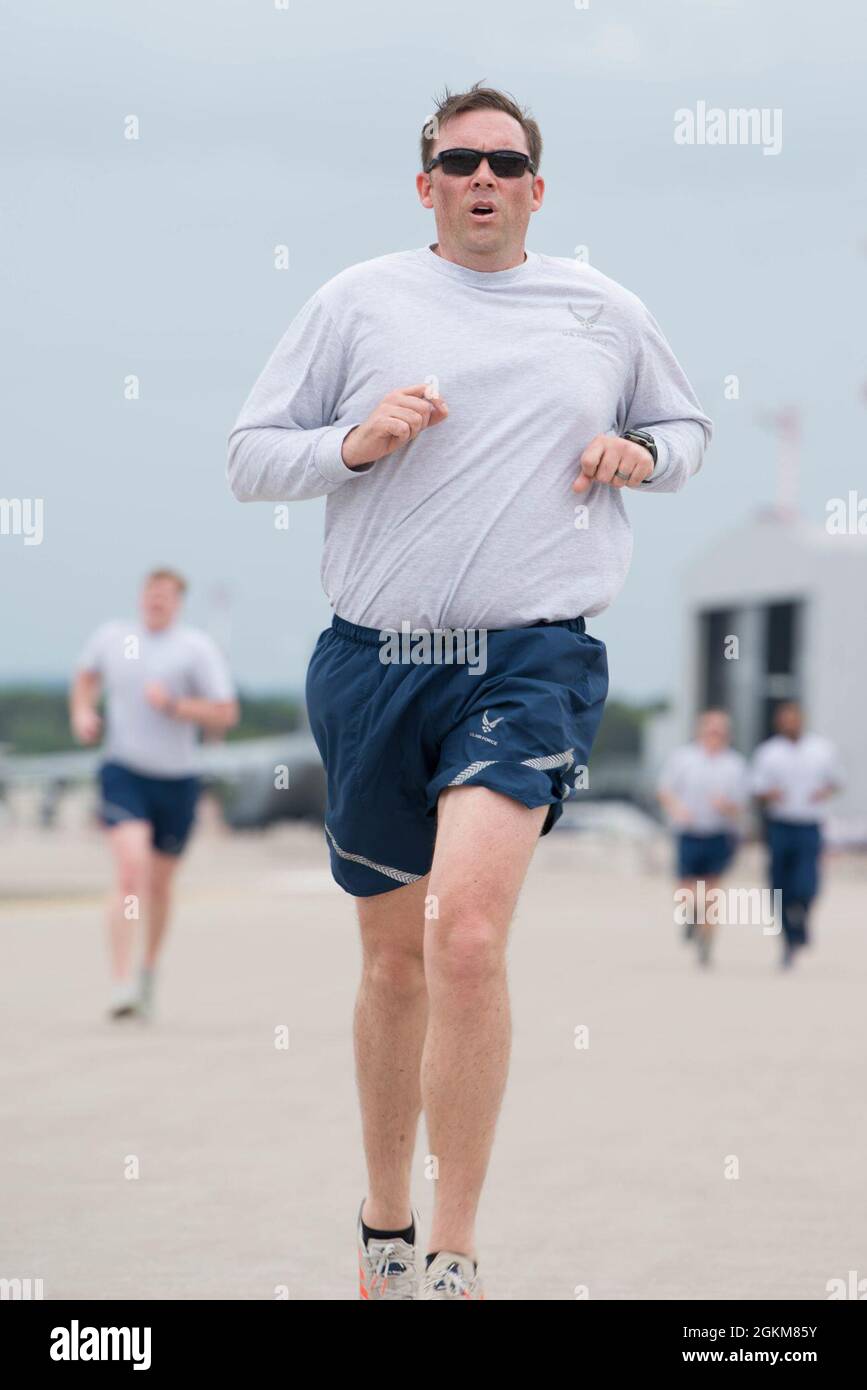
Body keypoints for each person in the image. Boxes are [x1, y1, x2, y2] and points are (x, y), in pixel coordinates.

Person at [227, 82, 712, 1299]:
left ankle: (455, 1250)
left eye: (505, 162)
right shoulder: (356, 303)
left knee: (468, 933)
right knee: (394, 962)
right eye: (459, 162)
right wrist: (354, 442)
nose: (482, 179)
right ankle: (385, 1230)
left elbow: (686, 425)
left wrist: (640, 456)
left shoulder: (602, 310)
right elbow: (248, 458)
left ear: (538, 188)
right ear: (427, 184)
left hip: (529, 659)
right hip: (377, 662)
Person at [69, 569, 239, 1019]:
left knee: (159, 885)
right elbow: (85, 678)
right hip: (123, 770)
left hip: (178, 780)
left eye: (164, 596)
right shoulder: (112, 636)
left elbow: (225, 713)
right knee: (130, 870)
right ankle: (121, 983)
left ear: (178, 602)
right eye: (150, 594)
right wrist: (83, 712)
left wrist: (174, 705)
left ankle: (147, 970)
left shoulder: (195, 648)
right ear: (140, 597)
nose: (155, 602)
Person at [750, 701, 843, 969]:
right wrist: (770, 794)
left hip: (808, 823)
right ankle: (788, 940)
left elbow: (836, 781)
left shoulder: (821, 750)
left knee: (806, 882)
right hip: (780, 824)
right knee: (779, 885)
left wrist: (824, 791)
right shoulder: (768, 753)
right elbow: (756, 788)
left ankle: (802, 916)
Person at [657, 710, 748, 966]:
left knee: (711, 892)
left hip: (718, 833)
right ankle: (690, 914)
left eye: (720, 730)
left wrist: (726, 806)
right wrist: (677, 809)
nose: (715, 735)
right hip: (688, 831)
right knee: (685, 887)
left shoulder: (735, 764)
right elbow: (664, 791)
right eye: (711, 729)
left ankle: (706, 942)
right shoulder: (684, 758)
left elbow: (741, 804)